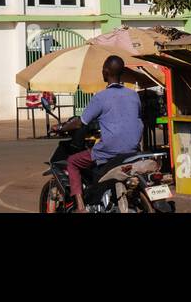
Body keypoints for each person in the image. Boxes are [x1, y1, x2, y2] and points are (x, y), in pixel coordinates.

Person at [51, 55, 144, 212]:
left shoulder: (100, 97)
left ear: (105, 72)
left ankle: (80, 207)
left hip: (109, 151)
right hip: (133, 150)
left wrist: (60, 127)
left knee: (72, 162)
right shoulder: (133, 95)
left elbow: (81, 122)